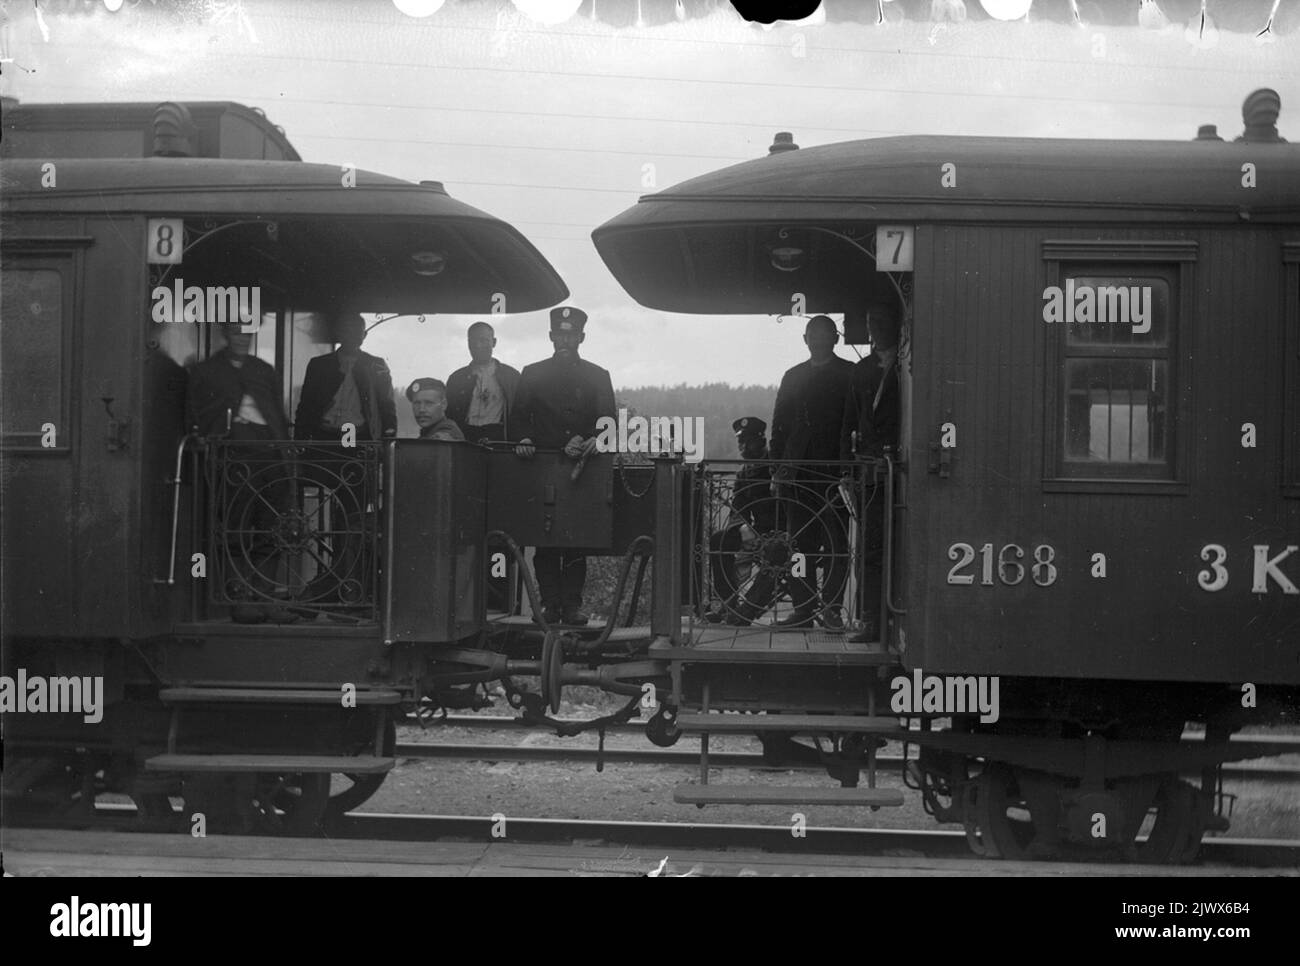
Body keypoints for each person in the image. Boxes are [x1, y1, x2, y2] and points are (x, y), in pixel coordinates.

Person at [187, 320, 297, 624]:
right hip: (234, 457)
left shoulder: (263, 370)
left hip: (271, 456)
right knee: (236, 526)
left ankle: (267, 599)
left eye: (247, 333)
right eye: (237, 332)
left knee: (272, 527)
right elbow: (196, 414)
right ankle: (239, 600)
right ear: (225, 334)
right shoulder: (206, 372)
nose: (242, 339)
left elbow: (277, 413)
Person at [513, 306, 616, 626]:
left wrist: (594, 440)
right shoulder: (531, 373)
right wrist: (525, 439)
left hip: (582, 472)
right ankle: (549, 606)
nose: (564, 340)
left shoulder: (598, 375)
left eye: (571, 335)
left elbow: (608, 424)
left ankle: (571, 607)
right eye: (559, 334)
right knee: (544, 540)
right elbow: (517, 419)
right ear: (550, 336)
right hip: (543, 469)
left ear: (581, 337)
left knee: (576, 541)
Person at [768, 314, 856, 628]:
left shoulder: (849, 374)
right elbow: (779, 426)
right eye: (813, 335)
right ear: (805, 339)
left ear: (835, 338)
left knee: (835, 544)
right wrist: (776, 469)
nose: (818, 340)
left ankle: (831, 609)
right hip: (797, 473)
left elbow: (854, 423)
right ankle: (803, 609)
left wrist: (849, 469)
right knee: (799, 546)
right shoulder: (792, 376)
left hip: (834, 472)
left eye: (825, 335)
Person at [840, 299, 902, 642]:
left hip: (895, 471)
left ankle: (883, 622)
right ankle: (869, 620)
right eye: (869, 321)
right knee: (868, 548)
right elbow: (850, 421)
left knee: (886, 549)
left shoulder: (907, 366)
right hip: (868, 475)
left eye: (880, 319)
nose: (874, 327)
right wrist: (845, 469)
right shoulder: (861, 370)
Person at [706, 416, 776, 624]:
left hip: (781, 531)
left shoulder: (774, 466)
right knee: (720, 540)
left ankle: (747, 611)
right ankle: (727, 603)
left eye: (747, 442)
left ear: (761, 441)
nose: (742, 447)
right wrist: (743, 527)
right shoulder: (746, 472)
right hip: (756, 531)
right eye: (740, 442)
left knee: (775, 552)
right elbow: (739, 506)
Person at [293, 312, 397, 443]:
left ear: (364, 335)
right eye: (347, 331)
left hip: (358, 435)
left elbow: (387, 406)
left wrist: (388, 442)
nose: (351, 336)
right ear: (339, 334)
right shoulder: (318, 365)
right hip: (324, 434)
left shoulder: (376, 365)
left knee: (351, 463)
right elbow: (306, 405)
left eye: (356, 332)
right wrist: (299, 440)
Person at [445, 321, 521, 444]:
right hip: (465, 438)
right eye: (473, 341)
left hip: (499, 437)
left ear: (494, 342)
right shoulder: (456, 378)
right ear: (468, 343)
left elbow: (520, 413)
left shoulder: (511, 376)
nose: (478, 346)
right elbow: (448, 415)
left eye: (484, 340)